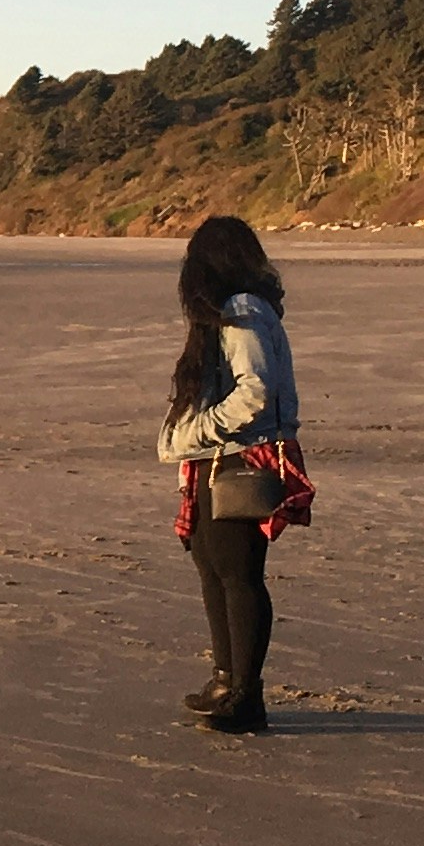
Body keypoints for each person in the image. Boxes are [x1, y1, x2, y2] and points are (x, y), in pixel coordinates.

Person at [157, 214, 311, 735]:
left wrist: (199, 429)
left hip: (240, 457)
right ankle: (226, 681)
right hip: (218, 456)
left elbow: (256, 390)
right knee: (211, 565)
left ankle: (245, 693)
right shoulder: (236, 310)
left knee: (238, 574)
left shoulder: (243, 310)